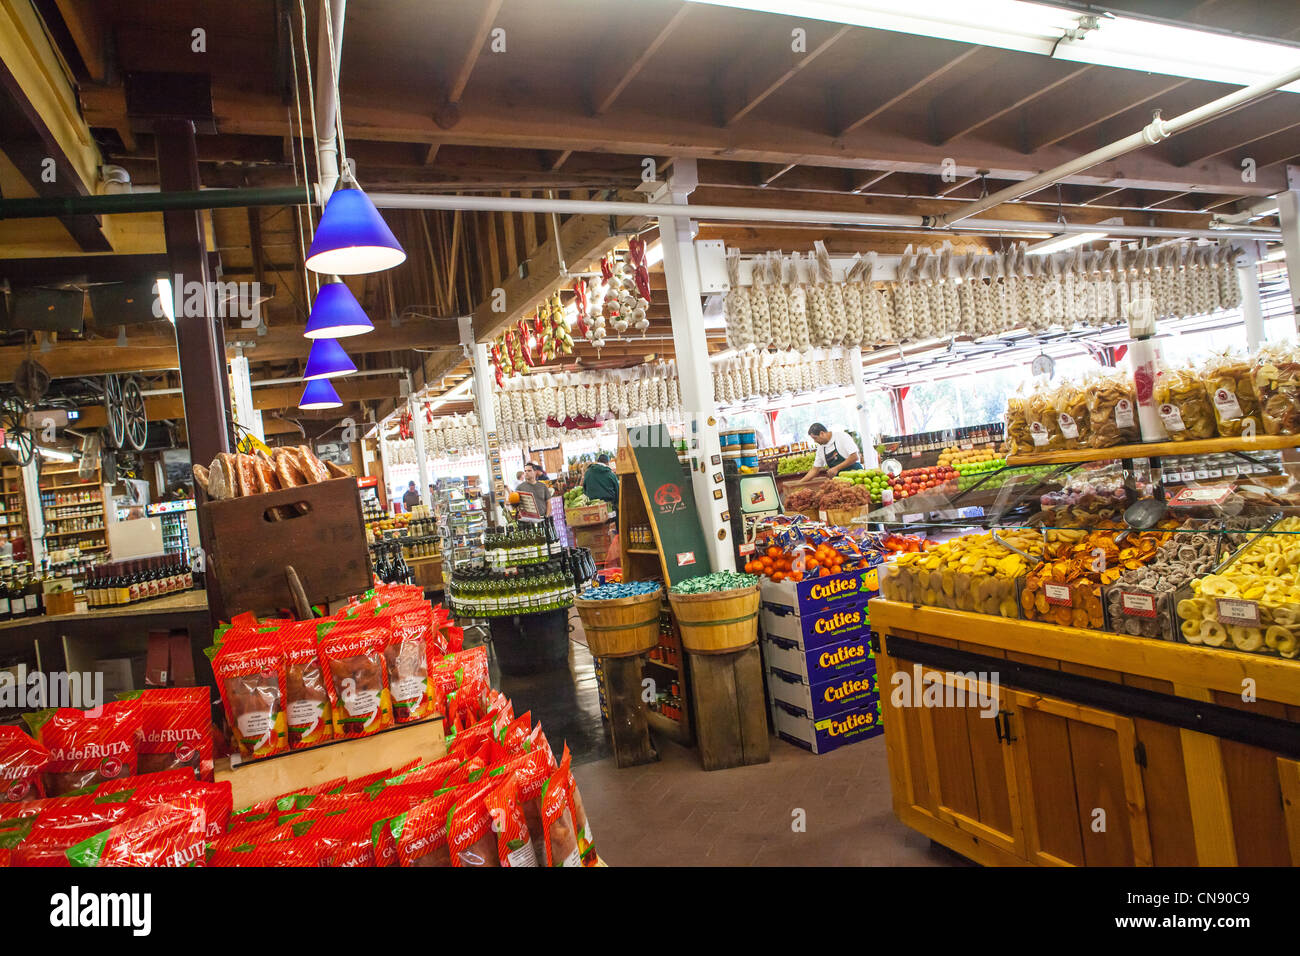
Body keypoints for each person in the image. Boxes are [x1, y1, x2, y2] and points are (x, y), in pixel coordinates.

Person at [799, 422, 863, 482]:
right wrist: (800, 482)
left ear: (822, 433)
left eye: (815, 438)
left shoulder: (842, 437)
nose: (815, 441)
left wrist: (836, 468)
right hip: (840, 481)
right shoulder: (820, 448)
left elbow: (854, 457)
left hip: (857, 477)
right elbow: (815, 469)